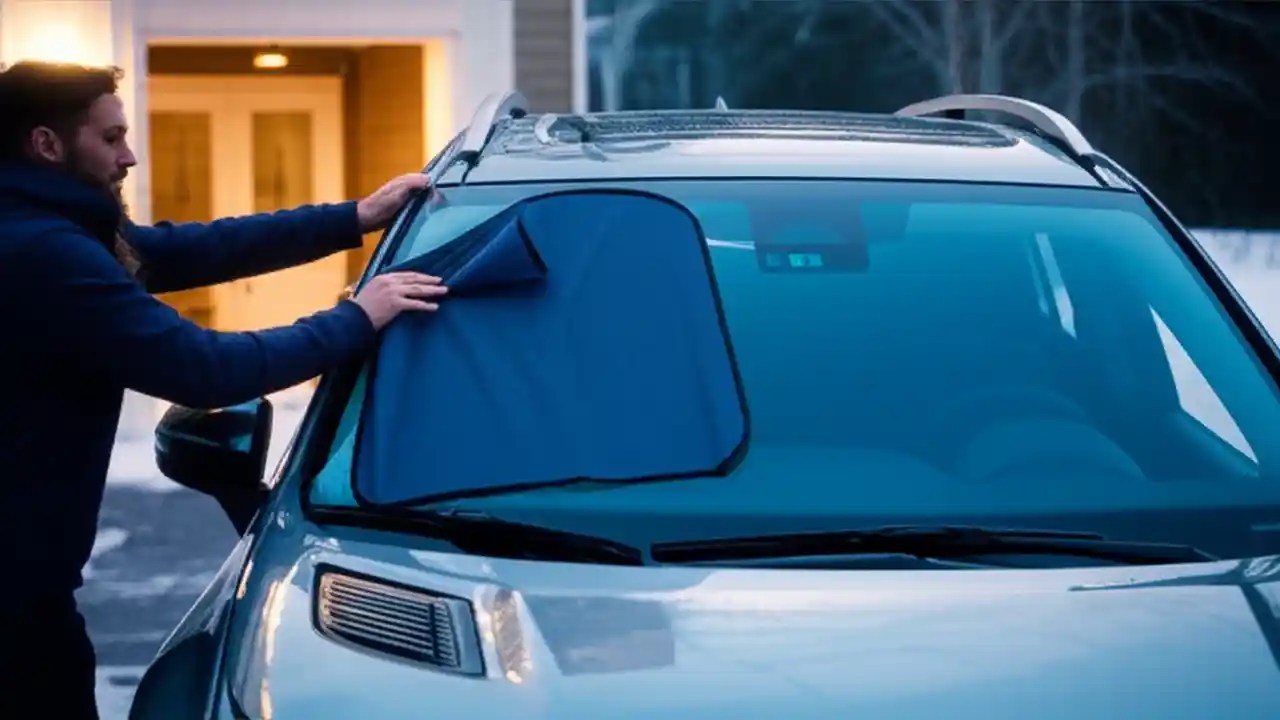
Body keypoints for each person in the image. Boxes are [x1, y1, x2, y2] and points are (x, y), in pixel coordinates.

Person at [0, 61, 446, 718]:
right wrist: (357, 317)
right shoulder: (41, 251)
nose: (129, 156)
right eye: (111, 137)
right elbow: (205, 369)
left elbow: (189, 250)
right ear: (47, 144)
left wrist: (353, 218)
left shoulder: (41, 227)